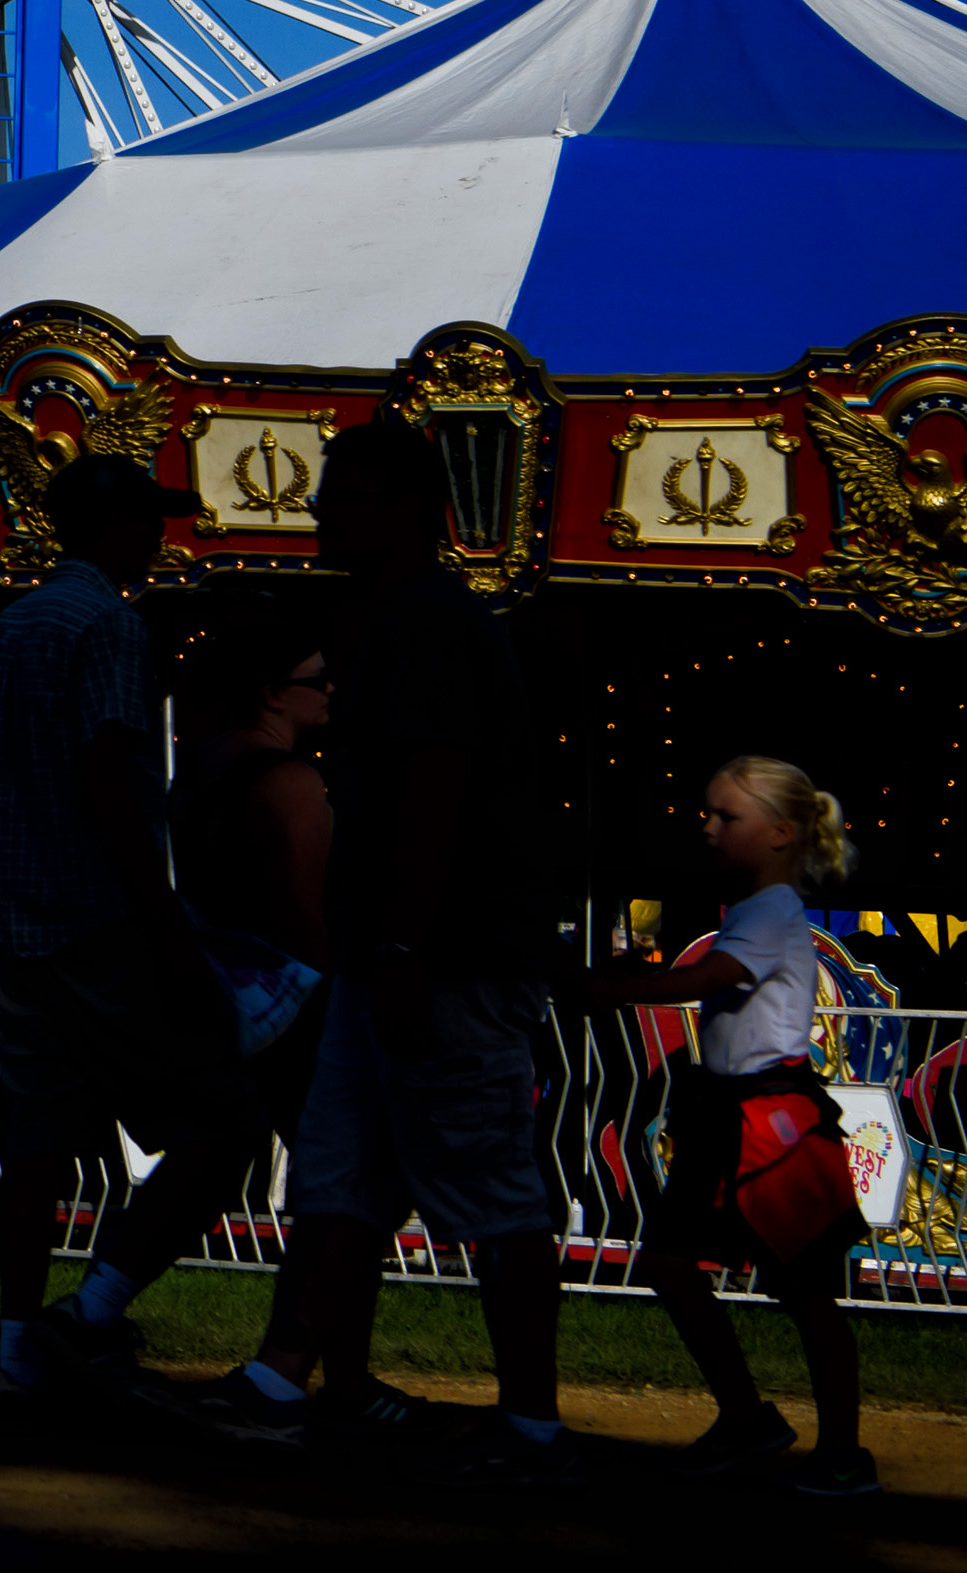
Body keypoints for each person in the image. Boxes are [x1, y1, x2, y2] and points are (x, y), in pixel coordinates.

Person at [289, 415, 572, 1478]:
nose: (322, 513)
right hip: (402, 954)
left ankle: (533, 1423)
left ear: (404, 508)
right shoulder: (408, 619)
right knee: (342, 1174)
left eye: (342, 495)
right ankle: (328, 1380)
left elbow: (432, 789)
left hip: (441, 958)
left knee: (491, 1185)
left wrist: (404, 941)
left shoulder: (426, 623)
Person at [0, 453, 263, 1402]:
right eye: (149, 520)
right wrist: (167, 926)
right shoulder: (112, 624)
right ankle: (90, 1307)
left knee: (40, 1143)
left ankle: (16, 1344)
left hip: (23, 919)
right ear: (116, 527)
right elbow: (106, 775)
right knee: (223, 1118)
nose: (160, 536)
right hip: (99, 915)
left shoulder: (13, 623)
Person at [589, 757, 875, 1495]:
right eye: (709, 813)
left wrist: (612, 988)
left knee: (801, 1288)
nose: (709, 828)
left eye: (726, 816)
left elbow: (707, 980)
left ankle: (832, 1449)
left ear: (780, 833)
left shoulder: (769, 910)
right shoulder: (760, 910)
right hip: (738, 1115)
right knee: (687, 1267)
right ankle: (760, 1423)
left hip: (766, 1122)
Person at [168, 601, 336, 1435]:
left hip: (221, 991)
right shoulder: (290, 781)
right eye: (316, 681)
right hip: (294, 997)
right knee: (337, 1182)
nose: (329, 692)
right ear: (273, 693)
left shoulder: (195, 774)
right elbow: (302, 912)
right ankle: (291, 1367)